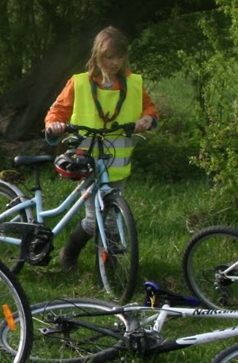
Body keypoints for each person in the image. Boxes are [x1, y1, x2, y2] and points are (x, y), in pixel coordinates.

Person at [44, 26, 159, 271]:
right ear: (97, 55)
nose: (114, 62)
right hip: (86, 161)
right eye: (109, 57)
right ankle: (73, 255)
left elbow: (150, 109)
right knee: (95, 218)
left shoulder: (133, 83)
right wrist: (54, 124)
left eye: (119, 57)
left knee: (111, 215)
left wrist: (147, 119)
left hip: (116, 165)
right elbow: (58, 111)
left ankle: (108, 268)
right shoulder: (80, 83)